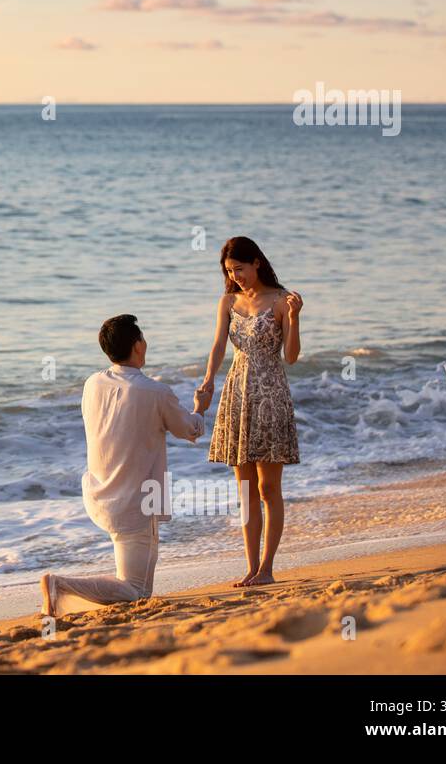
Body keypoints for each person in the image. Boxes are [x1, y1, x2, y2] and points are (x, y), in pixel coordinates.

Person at [40, 314, 208, 617]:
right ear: (137, 346)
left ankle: (64, 594)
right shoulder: (155, 391)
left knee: (136, 579)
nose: (145, 343)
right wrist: (200, 408)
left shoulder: (92, 383)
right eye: (142, 338)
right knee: (137, 589)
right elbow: (190, 430)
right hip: (137, 502)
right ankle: (59, 586)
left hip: (100, 493)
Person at [196, 236, 302, 587]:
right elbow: (217, 346)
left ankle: (268, 569)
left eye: (239, 268)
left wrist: (296, 318)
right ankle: (251, 567)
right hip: (237, 394)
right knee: (245, 491)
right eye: (229, 271)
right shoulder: (228, 301)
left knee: (268, 488)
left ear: (256, 262)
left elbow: (290, 356)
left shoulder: (282, 301)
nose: (235, 276)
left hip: (270, 394)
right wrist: (209, 380)